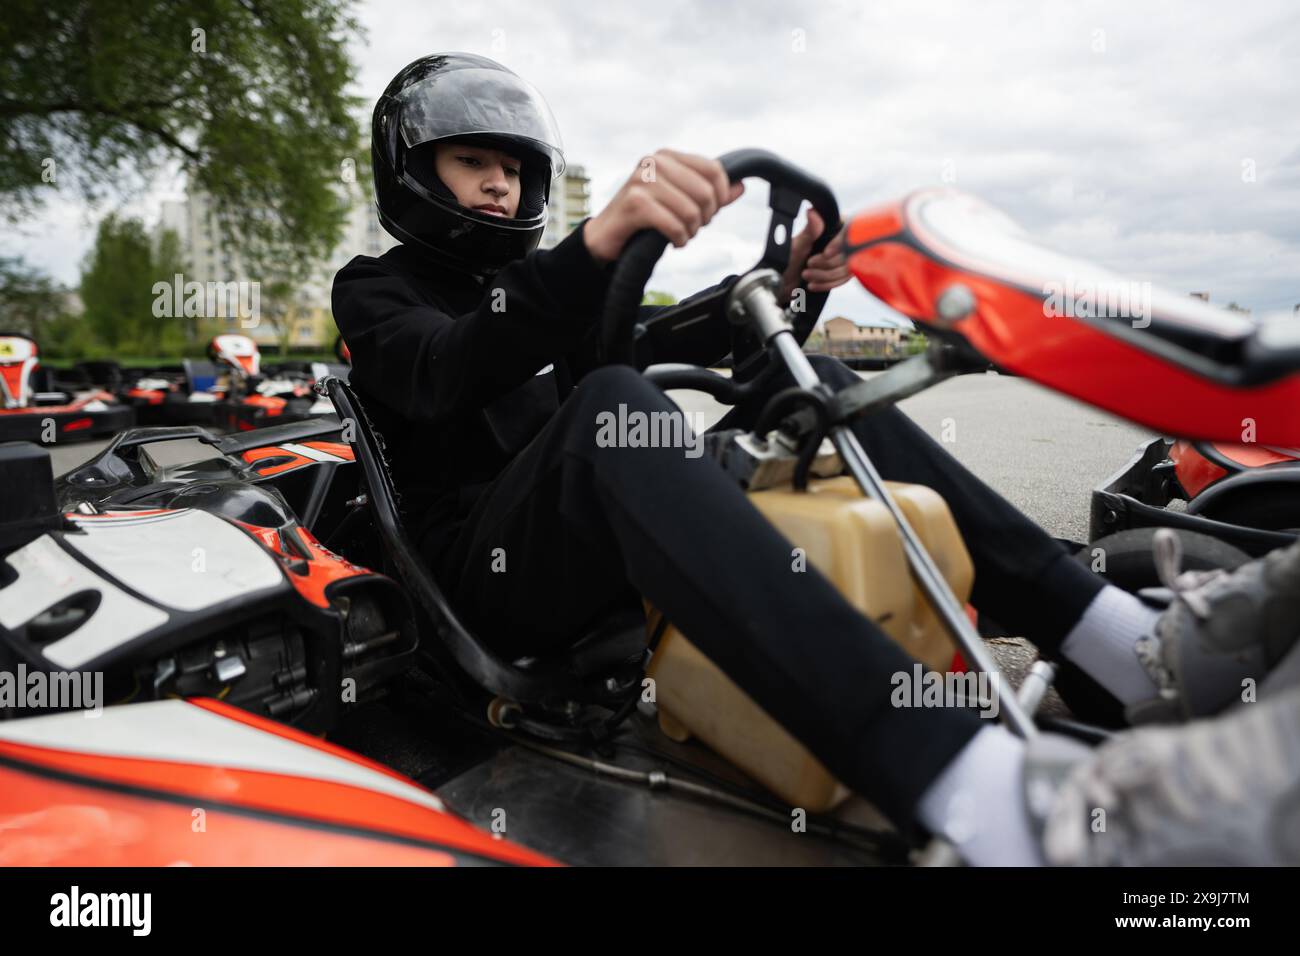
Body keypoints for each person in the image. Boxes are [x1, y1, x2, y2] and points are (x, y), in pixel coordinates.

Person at [334, 52, 1300, 865]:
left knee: (814, 387)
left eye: (511, 166)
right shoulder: (376, 290)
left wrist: (780, 289)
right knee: (610, 407)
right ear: (414, 172)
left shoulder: (541, 287)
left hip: (572, 548)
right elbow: (442, 369)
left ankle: (1122, 641)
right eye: (471, 162)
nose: (499, 184)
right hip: (478, 585)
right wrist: (592, 250)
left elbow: (660, 329)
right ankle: (982, 791)